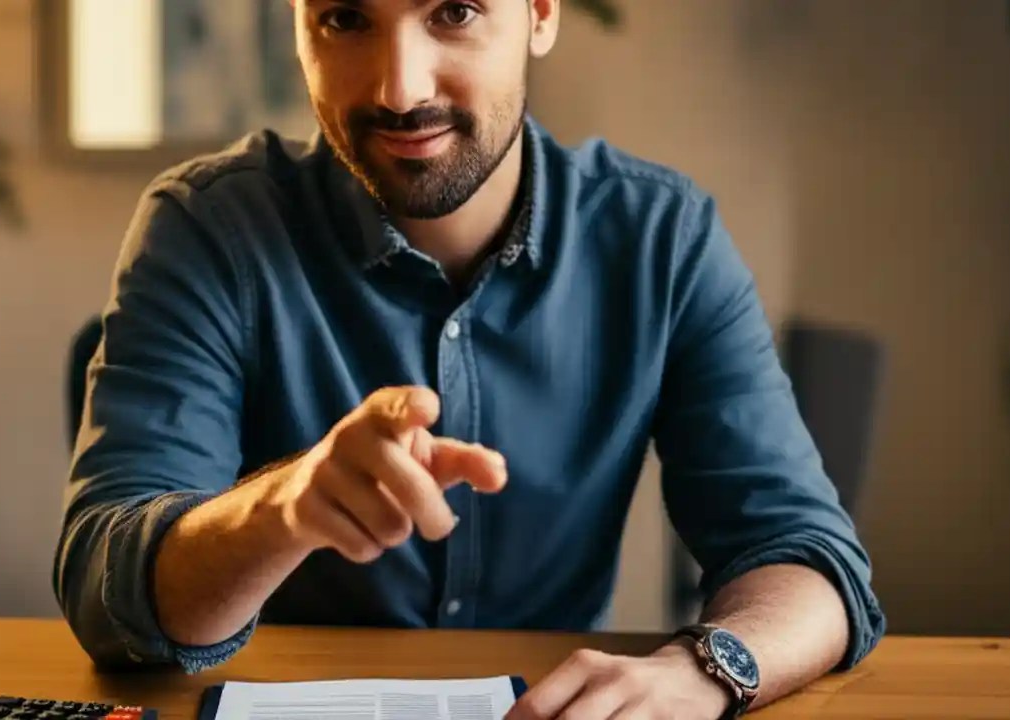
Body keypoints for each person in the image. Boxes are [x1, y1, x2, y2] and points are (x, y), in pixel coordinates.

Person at [54, 0, 885, 716]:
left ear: (542, 12)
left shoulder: (661, 240)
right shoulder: (206, 231)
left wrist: (704, 670)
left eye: (453, 12)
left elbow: (809, 561)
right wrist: (282, 511)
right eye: (345, 18)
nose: (400, 89)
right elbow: (105, 585)